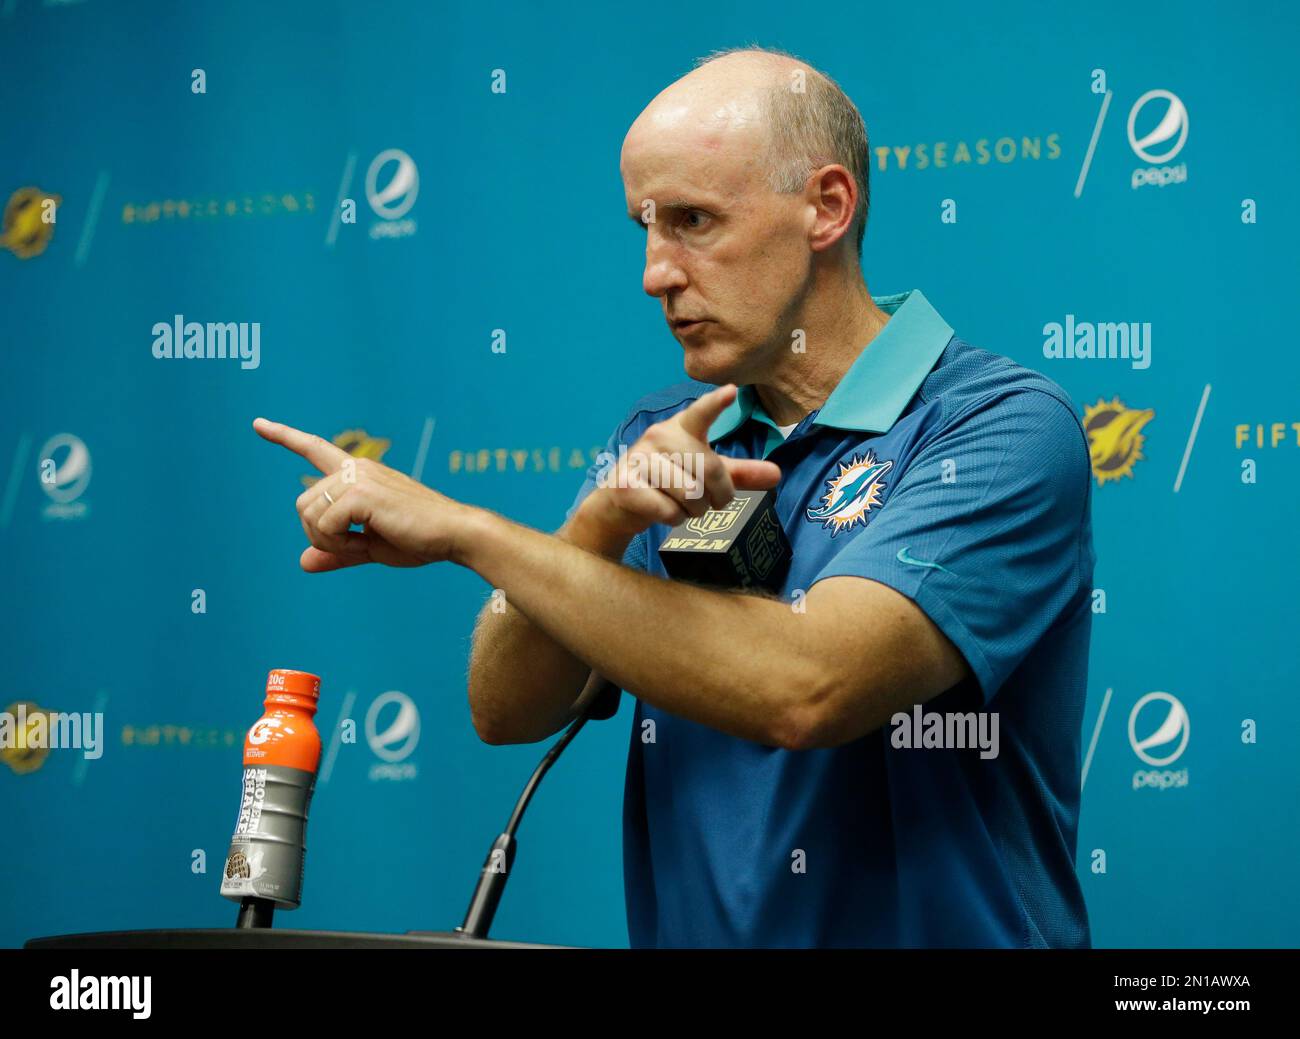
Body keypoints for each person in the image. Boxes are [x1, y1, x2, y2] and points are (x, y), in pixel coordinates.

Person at [254, 46, 1095, 948]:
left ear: (827, 207)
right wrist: (604, 517)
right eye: (645, 227)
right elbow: (507, 707)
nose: (656, 272)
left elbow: (809, 687)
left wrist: (465, 530)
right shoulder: (665, 433)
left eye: (694, 221)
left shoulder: (999, 426)